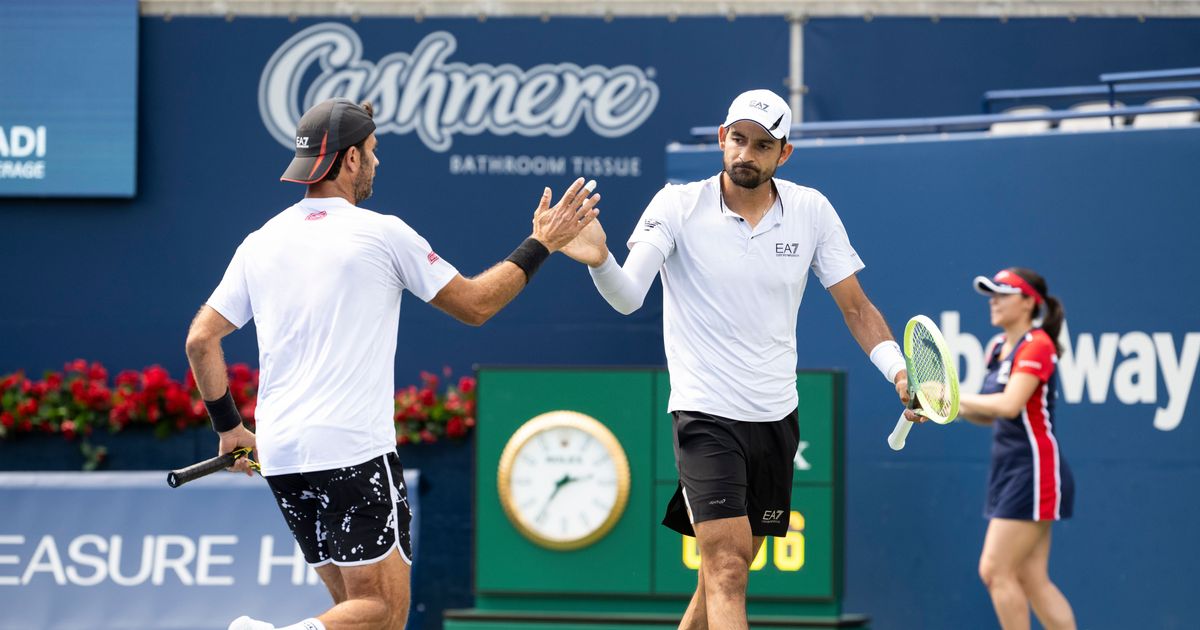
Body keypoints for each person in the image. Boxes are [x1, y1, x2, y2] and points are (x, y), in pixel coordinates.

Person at [184, 97, 599, 630]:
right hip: (351, 450)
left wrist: (228, 428)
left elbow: (201, 341)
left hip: (283, 457)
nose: (377, 163)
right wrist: (542, 242)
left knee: (350, 616)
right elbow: (476, 305)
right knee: (382, 612)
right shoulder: (382, 234)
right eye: (373, 152)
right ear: (351, 159)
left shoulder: (259, 243)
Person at [560, 89, 912, 630]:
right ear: (722, 138)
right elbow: (629, 296)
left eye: (762, 145)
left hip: (776, 417)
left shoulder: (812, 211)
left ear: (784, 154)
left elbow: (856, 306)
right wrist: (600, 260)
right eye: (738, 139)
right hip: (705, 413)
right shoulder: (676, 205)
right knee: (727, 568)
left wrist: (896, 369)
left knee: (725, 566)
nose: (746, 154)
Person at [958, 268, 1076, 630]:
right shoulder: (996, 348)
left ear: (1028, 303)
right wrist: (943, 408)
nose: (993, 300)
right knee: (1030, 578)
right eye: (991, 293)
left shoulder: (1038, 345)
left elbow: (1008, 405)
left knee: (994, 570)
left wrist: (951, 397)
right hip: (1008, 470)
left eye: (1003, 294)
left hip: (1035, 470)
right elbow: (987, 414)